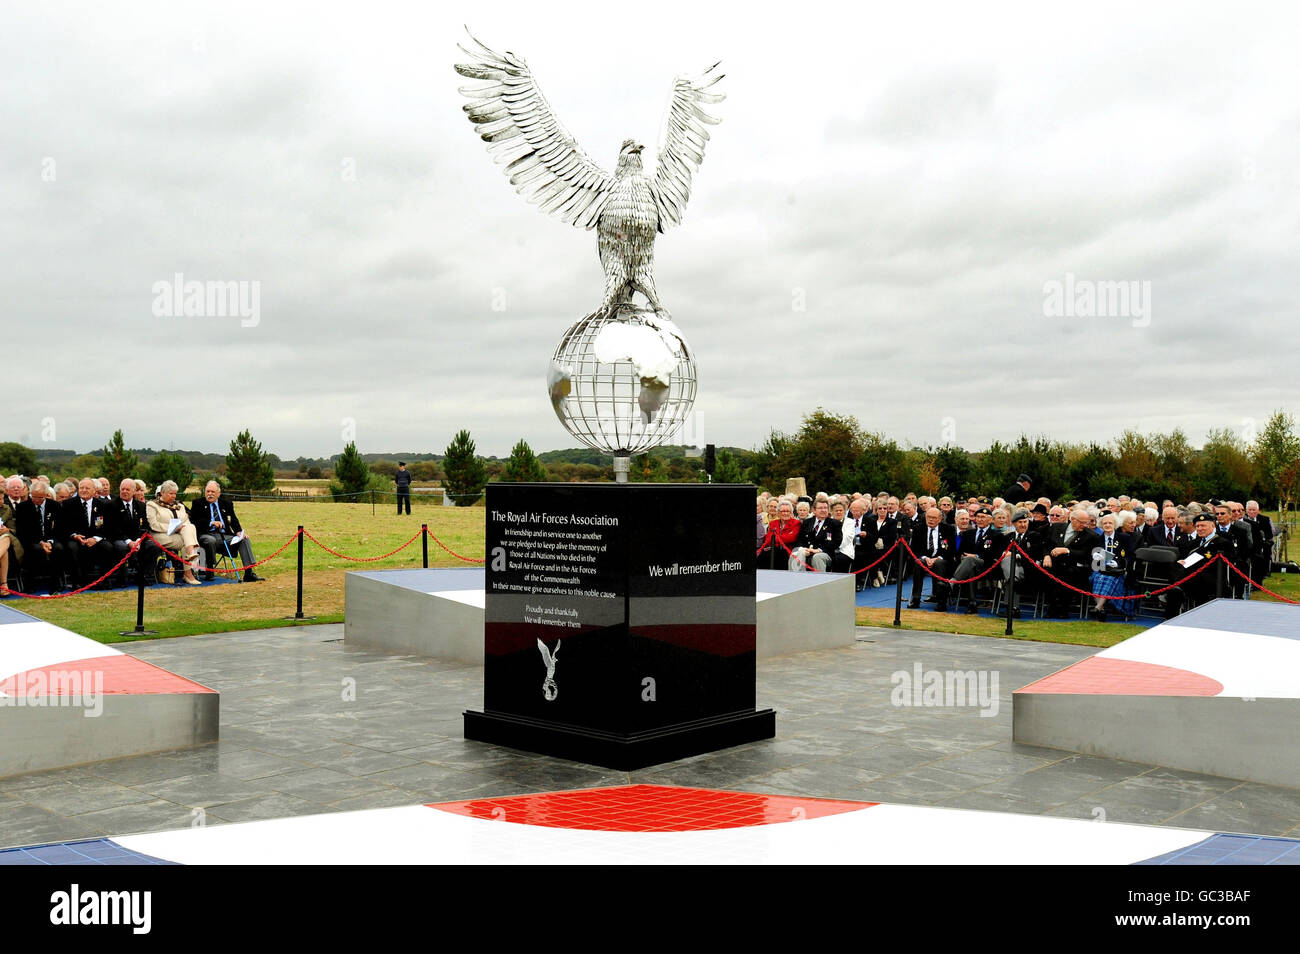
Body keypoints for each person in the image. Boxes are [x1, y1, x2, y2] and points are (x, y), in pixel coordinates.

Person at [189, 481, 264, 582]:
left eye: (212, 492)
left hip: (225, 535)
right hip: (205, 534)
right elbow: (194, 521)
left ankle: (248, 572)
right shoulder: (198, 503)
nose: (209, 494)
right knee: (210, 540)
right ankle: (209, 570)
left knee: (244, 539)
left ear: (218, 493)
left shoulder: (227, 504)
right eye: (207, 491)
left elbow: (233, 520)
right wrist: (211, 522)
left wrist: (238, 532)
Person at [146, 480, 203, 585]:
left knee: (190, 527)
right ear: (162, 493)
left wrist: (180, 528)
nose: (173, 496)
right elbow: (153, 525)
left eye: (175, 494)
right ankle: (189, 569)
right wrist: (173, 528)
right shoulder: (152, 505)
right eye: (170, 493)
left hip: (179, 535)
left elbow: (186, 522)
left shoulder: (180, 506)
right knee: (187, 542)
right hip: (160, 535)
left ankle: (190, 556)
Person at [907, 507, 955, 611]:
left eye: (934, 518)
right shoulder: (918, 528)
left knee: (939, 564)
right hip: (924, 558)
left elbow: (951, 550)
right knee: (919, 563)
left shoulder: (948, 529)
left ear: (940, 518)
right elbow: (914, 549)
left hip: (942, 559)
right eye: (928, 517)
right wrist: (925, 558)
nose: (931, 520)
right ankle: (915, 599)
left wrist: (937, 558)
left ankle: (941, 601)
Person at [789, 499, 840, 572]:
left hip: (825, 553)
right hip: (807, 551)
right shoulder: (807, 522)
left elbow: (836, 542)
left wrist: (818, 550)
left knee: (817, 557)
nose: (823, 510)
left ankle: (820, 582)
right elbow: (800, 539)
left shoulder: (834, 523)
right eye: (820, 508)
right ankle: (795, 580)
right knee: (795, 554)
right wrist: (803, 549)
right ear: (814, 510)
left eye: (825, 508)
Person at [758, 500, 801, 570]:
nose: (785, 513)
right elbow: (768, 540)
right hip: (773, 550)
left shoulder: (796, 523)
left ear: (791, 512)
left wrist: (775, 538)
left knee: (778, 555)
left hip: (787, 551)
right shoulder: (773, 523)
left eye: (787, 511)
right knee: (763, 555)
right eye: (783, 511)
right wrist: (780, 538)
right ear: (778, 513)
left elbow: (791, 538)